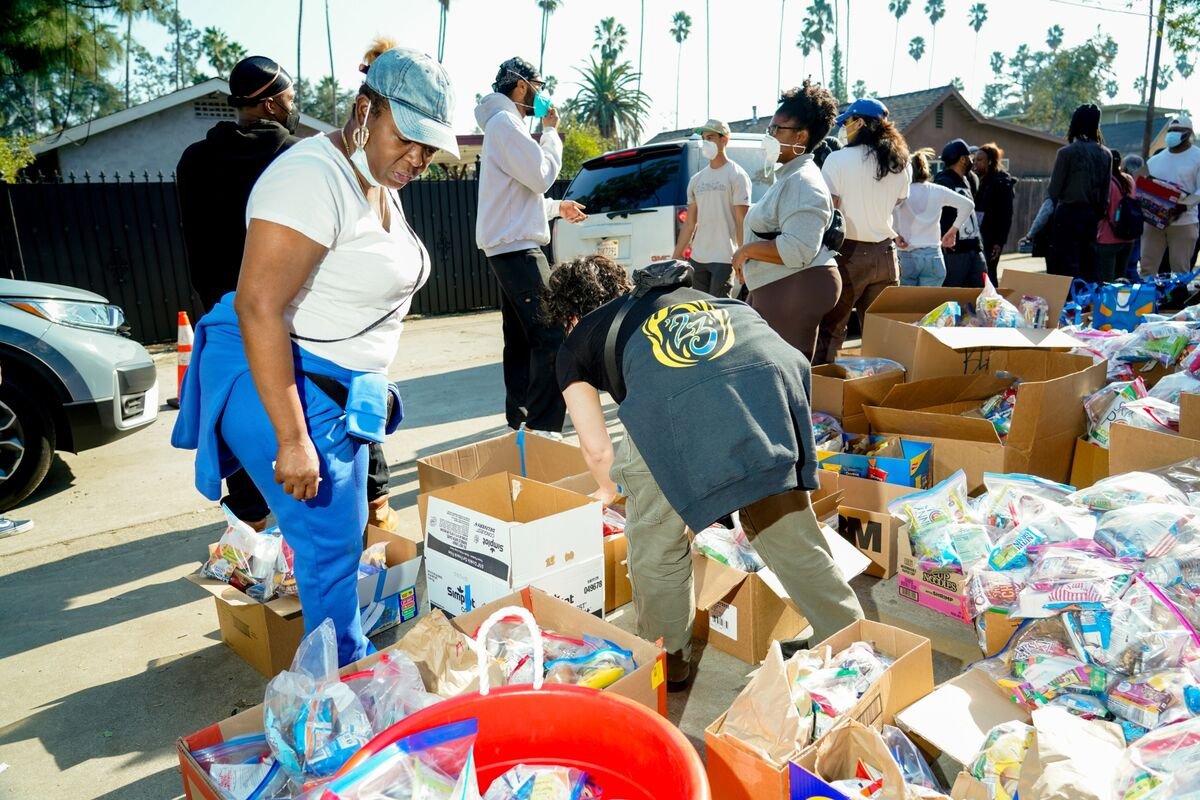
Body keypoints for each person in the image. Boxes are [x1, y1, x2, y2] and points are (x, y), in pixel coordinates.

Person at [173, 48, 457, 665]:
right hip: (291, 388)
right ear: (364, 111)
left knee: (334, 543)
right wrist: (293, 438)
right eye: (408, 139)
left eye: (429, 149)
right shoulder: (310, 179)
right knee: (332, 555)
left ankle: (334, 667)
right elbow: (258, 307)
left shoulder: (375, 177)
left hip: (333, 387)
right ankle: (338, 700)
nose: (419, 159)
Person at [543, 256, 864, 688]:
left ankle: (668, 662)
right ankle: (849, 639)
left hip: (677, 399)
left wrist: (612, 491)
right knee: (784, 522)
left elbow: (597, 449)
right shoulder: (683, 296)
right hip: (771, 373)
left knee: (656, 541)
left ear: (569, 315)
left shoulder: (578, 339)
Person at [176, 55, 300, 532]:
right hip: (283, 312)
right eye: (289, 100)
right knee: (290, 413)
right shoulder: (292, 154)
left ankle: (248, 522)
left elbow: (194, 241)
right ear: (269, 103)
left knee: (239, 414)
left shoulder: (194, 159)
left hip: (223, 313)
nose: (292, 108)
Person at [475, 57, 587, 433]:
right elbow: (540, 176)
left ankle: (521, 422)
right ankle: (543, 429)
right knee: (553, 335)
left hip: (510, 245)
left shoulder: (503, 125)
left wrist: (558, 207)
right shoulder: (507, 124)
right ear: (521, 86)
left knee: (523, 340)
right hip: (517, 248)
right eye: (539, 85)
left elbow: (515, 195)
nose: (542, 94)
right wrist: (551, 132)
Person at [730, 82, 842, 361]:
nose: (769, 136)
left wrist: (745, 251)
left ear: (801, 137)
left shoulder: (803, 181)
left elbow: (797, 249)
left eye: (777, 129)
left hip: (795, 284)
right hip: (783, 284)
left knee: (781, 376)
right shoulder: (791, 177)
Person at [814, 98, 911, 365]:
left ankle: (824, 395)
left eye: (848, 122)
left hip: (848, 254)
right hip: (886, 255)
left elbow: (828, 210)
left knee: (831, 331)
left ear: (861, 122)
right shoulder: (901, 163)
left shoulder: (837, 159)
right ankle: (880, 392)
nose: (845, 128)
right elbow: (899, 201)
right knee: (883, 336)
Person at [672, 119, 752, 298]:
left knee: (720, 312)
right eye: (703, 138)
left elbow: (742, 221)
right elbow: (690, 223)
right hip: (697, 259)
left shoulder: (737, 175)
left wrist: (743, 258)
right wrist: (676, 257)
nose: (705, 142)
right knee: (700, 311)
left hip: (724, 259)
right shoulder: (696, 180)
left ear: (724, 140)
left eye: (710, 137)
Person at [1047, 103, 1111, 281]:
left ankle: (1066, 304)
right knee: (1088, 264)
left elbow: (1054, 190)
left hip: (1067, 214)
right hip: (1091, 216)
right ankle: (1086, 304)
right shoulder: (1106, 154)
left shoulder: (1066, 153)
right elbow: (1105, 195)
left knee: (1063, 267)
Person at [892, 148, 974, 286]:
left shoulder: (901, 192)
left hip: (906, 255)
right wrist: (953, 231)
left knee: (906, 306)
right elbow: (968, 205)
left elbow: (890, 213)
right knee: (929, 305)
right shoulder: (938, 191)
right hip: (933, 256)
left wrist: (895, 235)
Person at [1140, 114, 1200, 276]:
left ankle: (1177, 301)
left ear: (1188, 133)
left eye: (1177, 130)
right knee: (1147, 268)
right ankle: (1147, 300)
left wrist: (1181, 206)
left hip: (1184, 223)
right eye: (1171, 130)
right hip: (1153, 222)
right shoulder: (1154, 160)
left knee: (1180, 271)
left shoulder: (1198, 157)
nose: (1172, 133)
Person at [934, 138, 988, 288]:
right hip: (955, 251)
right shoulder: (943, 181)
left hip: (975, 247)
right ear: (962, 160)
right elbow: (936, 212)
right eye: (969, 157)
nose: (973, 160)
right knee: (952, 294)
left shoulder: (967, 180)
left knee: (982, 293)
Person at [972, 142, 1017, 286]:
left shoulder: (1002, 182)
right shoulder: (976, 179)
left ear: (990, 162)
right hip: (977, 232)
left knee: (989, 272)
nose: (975, 163)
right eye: (974, 160)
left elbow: (1006, 215)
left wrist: (999, 242)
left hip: (991, 236)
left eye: (979, 160)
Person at [1096, 149, 1138, 283]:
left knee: (1107, 282)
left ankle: (1107, 304)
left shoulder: (1105, 182)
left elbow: (1101, 208)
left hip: (1108, 237)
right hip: (1128, 238)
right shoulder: (1129, 179)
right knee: (1121, 280)